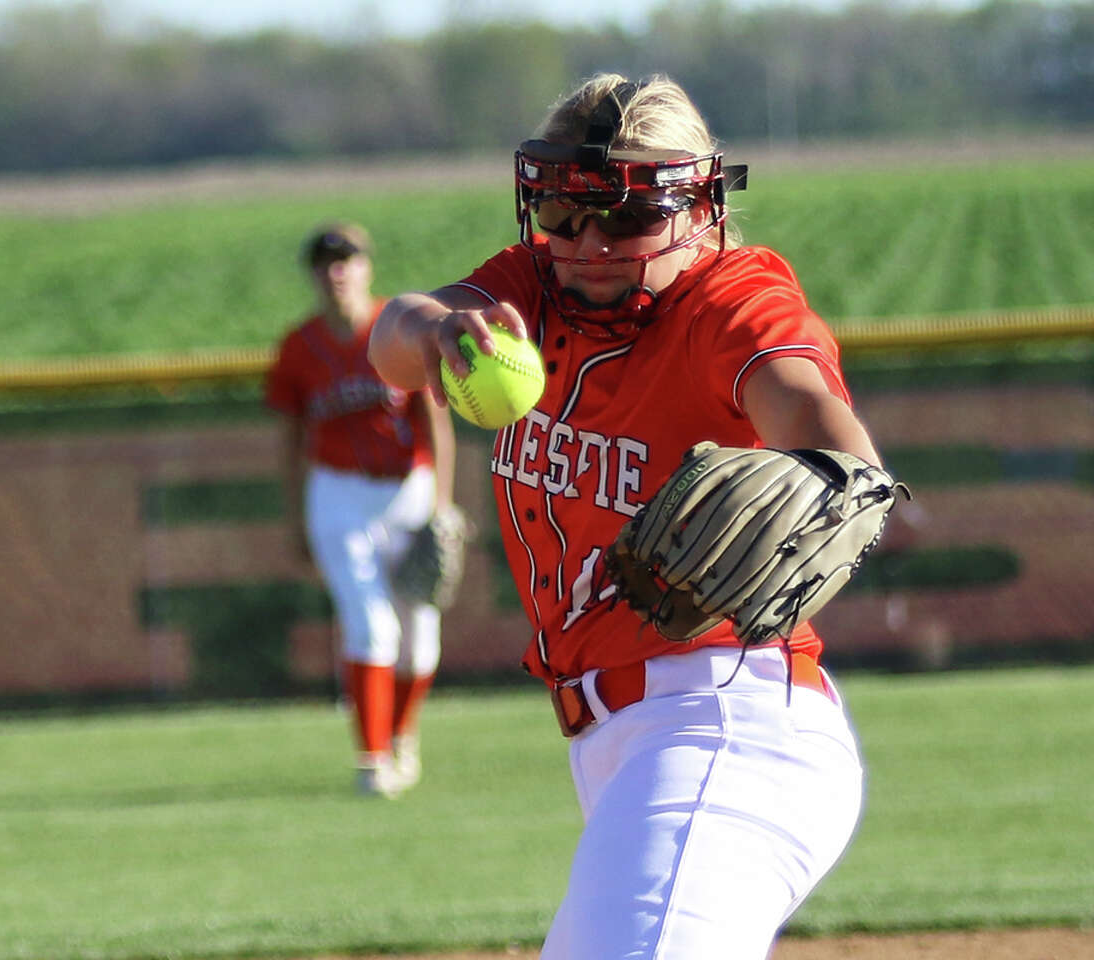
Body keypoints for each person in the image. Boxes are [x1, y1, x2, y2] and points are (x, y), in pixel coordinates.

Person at [368, 74, 884, 957]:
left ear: (702, 207)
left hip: (723, 727)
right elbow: (394, 334)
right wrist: (436, 333)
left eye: (631, 215)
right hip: (618, 746)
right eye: (563, 213)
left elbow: (811, 413)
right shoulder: (527, 291)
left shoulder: (727, 301)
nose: (591, 243)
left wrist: (836, 469)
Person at [265, 221, 457, 798]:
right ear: (313, 275)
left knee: (419, 636)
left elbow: (436, 423)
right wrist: (294, 518)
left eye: (347, 259)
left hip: (408, 490)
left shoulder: (395, 331)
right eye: (325, 262)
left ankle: (400, 737)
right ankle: (372, 760)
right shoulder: (299, 347)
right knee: (370, 623)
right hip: (337, 491)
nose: (337, 271)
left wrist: (443, 505)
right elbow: (288, 439)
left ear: (367, 267)